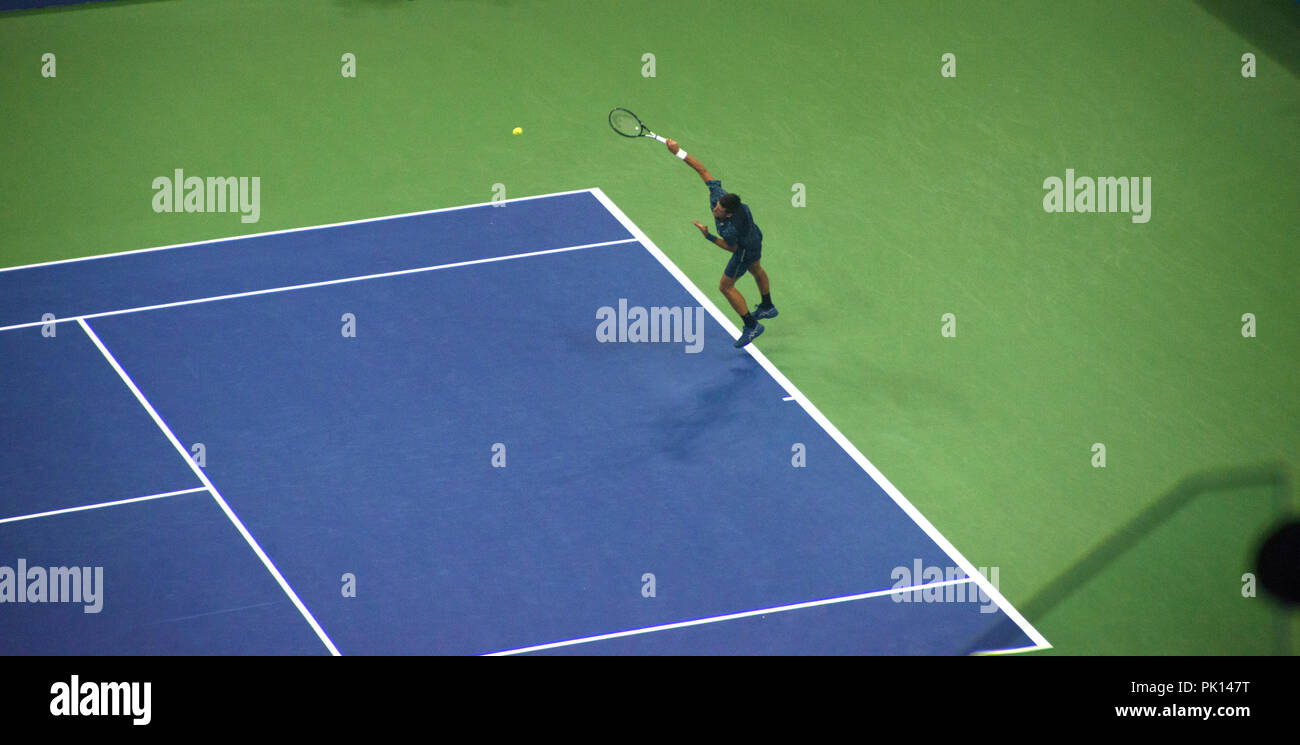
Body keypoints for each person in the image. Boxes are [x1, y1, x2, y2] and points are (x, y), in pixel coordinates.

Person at [666, 139, 776, 348]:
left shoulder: (731, 229)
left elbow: (731, 247)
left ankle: (751, 325)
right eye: (716, 205)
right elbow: (702, 170)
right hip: (756, 238)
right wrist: (678, 152)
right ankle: (767, 306)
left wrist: (708, 236)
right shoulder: (721, 196)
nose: (715, 209)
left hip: (744, 248)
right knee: (756, 269)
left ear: (730, 214)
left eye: (719, 210)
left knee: (725, 287)